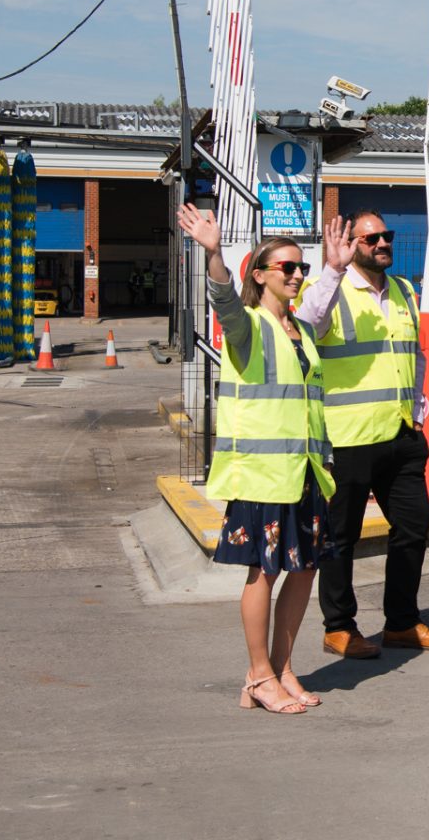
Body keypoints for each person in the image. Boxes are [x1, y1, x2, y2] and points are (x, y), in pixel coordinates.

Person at [177, 203, 336, 715]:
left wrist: (332, 268)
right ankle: (259, 675)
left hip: (305, 473)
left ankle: (282, 668)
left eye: (300, 267)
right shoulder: (246, 327)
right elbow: (222, 300)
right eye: (285, 267)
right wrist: (215, 254)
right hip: (262, 476)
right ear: (260, 275)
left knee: (306, 569)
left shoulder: (304, 333)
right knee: (263, 574)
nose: (295, 275)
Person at [295, 210, 429, 659]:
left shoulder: (405, 290)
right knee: (340, 537)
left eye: (386, 236)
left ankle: (402, 623)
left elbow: (414, 352)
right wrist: (332, 268)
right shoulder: (330, 289)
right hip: (348, 437)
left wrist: (419, 410)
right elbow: (305, 325)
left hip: (401, 435)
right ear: (352, 244)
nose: (382, 244)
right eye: (371, 238)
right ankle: (339, 628)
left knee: (414, 525)